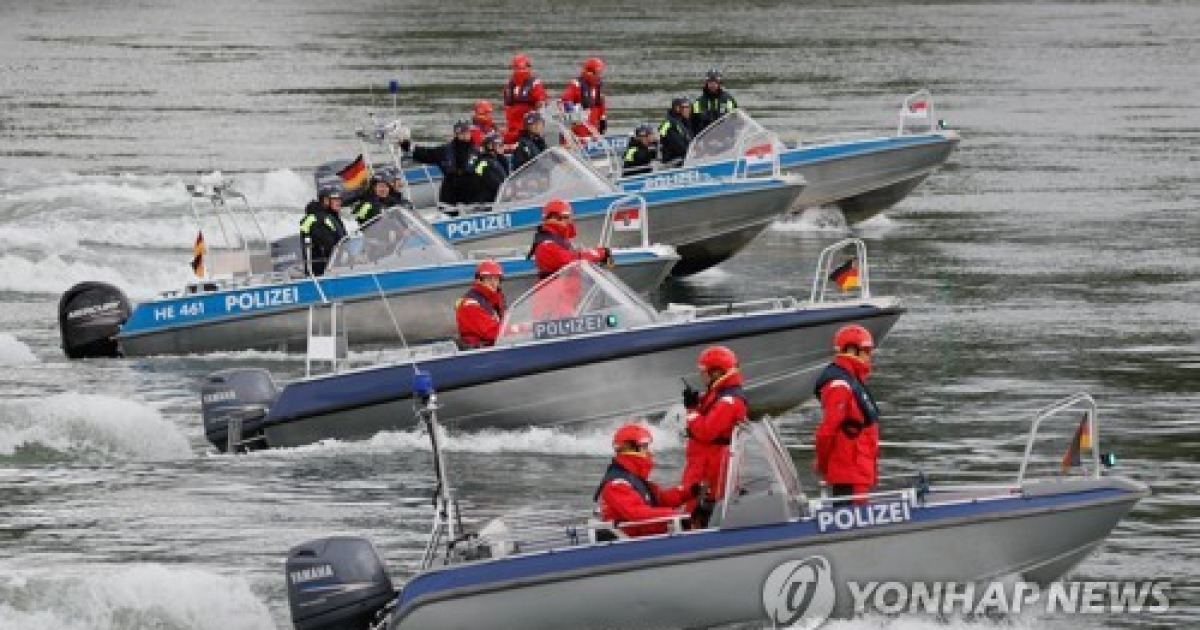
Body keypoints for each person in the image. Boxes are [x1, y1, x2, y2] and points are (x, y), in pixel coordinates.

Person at [813, 324, 881, 505]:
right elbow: (827, 431)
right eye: (866, 351)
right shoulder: (839, 385)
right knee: (852, 516)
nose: (869, 356)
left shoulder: (850, 380)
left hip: (858, 469)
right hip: (849, 470)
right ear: (852, 350)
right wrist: (822, 463)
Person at [594, 424, 696, 537]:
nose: (648, 452)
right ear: (630, 448)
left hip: (643, 536)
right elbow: (637, 512)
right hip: (629, 542)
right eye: (644, 447)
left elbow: (659, 499)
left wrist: (690, 492)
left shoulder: (634, 478)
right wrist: (674, 515)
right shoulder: (616, 484)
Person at [681, 345, 749, 503]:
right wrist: (696, 403)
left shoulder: (729, 401)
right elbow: (709, 416)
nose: (702, 376)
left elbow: (706, 431)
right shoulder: (719, 393)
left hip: (711, 466)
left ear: (717, 372)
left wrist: (691, 410)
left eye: (705, 372)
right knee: (693, 506)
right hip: (704, 462)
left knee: (699, 509)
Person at [528, 198, 610, 279]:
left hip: (567, 290)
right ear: (554, 218)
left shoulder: (559, 240)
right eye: (566, 217)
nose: (570, 221)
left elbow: (574, 256)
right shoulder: (546, 246)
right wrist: (598, 253)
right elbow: (571, 260)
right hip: (557, 291)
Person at [400, 121, 478, 206]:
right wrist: (406, 145)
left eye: (467, 132)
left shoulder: (478, 152)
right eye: (462, 133)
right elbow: (426, 154)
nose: (465, 135)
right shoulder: (445, 151)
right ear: (456, 135)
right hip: (450, 192)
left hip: (471, 192)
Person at [455, 260, 506, 348]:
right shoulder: (470, 304)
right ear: (479, 280)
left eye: (496, 279)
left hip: (496, 345)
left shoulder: (496, 298)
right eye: (489, 279)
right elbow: (491, 332)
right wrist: (517, 329)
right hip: (480, 353)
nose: (494, 283)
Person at [299, 186, 348, 277]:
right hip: (321, 274)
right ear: (325, 201)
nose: (339, 202)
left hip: (334, 269)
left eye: (339, 199)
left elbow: (342, 240)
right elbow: (329, 245)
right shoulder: (316, 219)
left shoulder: (332, 217)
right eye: (335, 199)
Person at [501, 53, 547, 144]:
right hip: (515, 128)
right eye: (519, 68)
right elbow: (507, 106)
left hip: (526, 127)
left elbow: (541, 102)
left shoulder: (534, 84)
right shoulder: (509, 86)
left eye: (521, 68)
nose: (520, 71)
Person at [560, 57, 608, 139]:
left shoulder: (598, 86)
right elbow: (566, 99)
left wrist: (603, 119)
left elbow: (601, 104)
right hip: (579, 127)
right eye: (597, 73)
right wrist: (573, 112)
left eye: (600, 73)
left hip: (593, 126)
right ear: (590, 72)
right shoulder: (576, 85)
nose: (599, 75)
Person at [691, 68, 738, 134]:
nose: (713, 85)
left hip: (727, 138)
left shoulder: (729, 100)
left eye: (715, 82)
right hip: (705, 139)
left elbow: (736, 119)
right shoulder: (698, 103)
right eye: (710, 82)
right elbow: (694, 124)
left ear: (719, 83)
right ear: (706, 83)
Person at [471, 132, 510, 203]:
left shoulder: (498, 160)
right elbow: (495, 184)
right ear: (490, 146)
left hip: (498, 200)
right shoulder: (483, 163)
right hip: (487, 204)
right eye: (499, 145)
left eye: (502, 144)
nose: (503, 147)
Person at [658, 96, 695, 166]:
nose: (689, 110)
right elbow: (679, 147)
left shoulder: (684, 122)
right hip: (673, 162)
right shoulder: (669, 124)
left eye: (689, 107)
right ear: (677, 108)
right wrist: (695, 151)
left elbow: (692, 140)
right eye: (686, 107)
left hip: (685, 158)